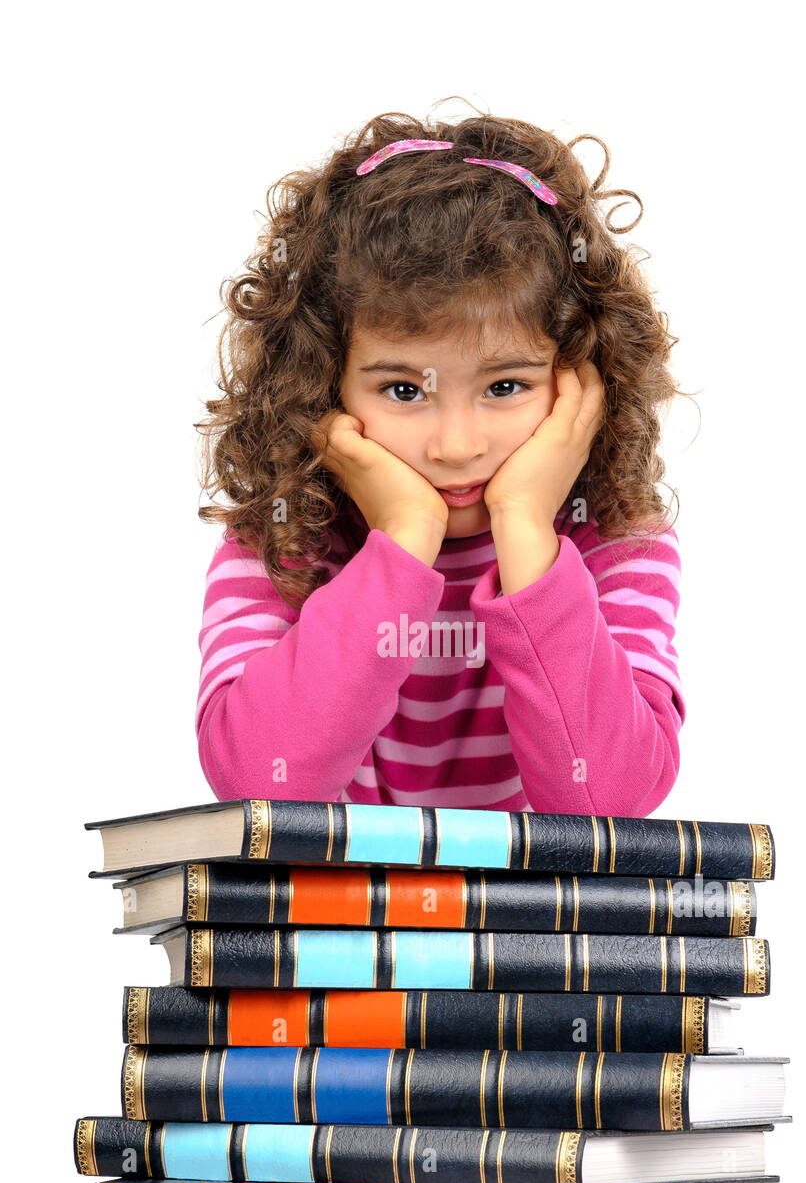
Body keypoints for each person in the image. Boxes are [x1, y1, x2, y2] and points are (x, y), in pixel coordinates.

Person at [196, 111, 684, 816]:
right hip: (333, 927)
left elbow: (603, 809)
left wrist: (524, 529)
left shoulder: (614, 542)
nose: (455, 444)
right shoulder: (280, 546)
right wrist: (402, 538)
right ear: (319, 384)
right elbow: (263, 792)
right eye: (402, 390)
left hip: (533, 928)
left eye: (504, 387)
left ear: (581, 380)